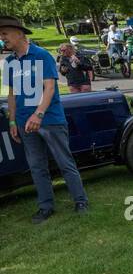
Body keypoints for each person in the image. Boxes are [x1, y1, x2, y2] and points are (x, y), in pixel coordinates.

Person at [0, 15, 89, 221]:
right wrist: (13, 120)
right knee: (36, 166)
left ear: (19, 34)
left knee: (64, 161)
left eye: (5, 34)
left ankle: (80, 200)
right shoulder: (10, 62)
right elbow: (12, 93)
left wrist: (38, 114)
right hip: (24, 122)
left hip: (49, 120)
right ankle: (46, 206)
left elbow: (49, 88)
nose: (2, 38)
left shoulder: (41, 55)